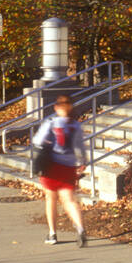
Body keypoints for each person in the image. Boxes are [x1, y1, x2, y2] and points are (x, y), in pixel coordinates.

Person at [31, 95, 87, 247]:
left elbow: (37, 141)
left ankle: (52, 233)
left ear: (56, 107)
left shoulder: (51, 123)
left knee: (51, 199)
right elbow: (80, 147)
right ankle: (80, 228)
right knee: (69, 200)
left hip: (51, 165)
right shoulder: (75, 125)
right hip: (68, 166)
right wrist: (83, 161)